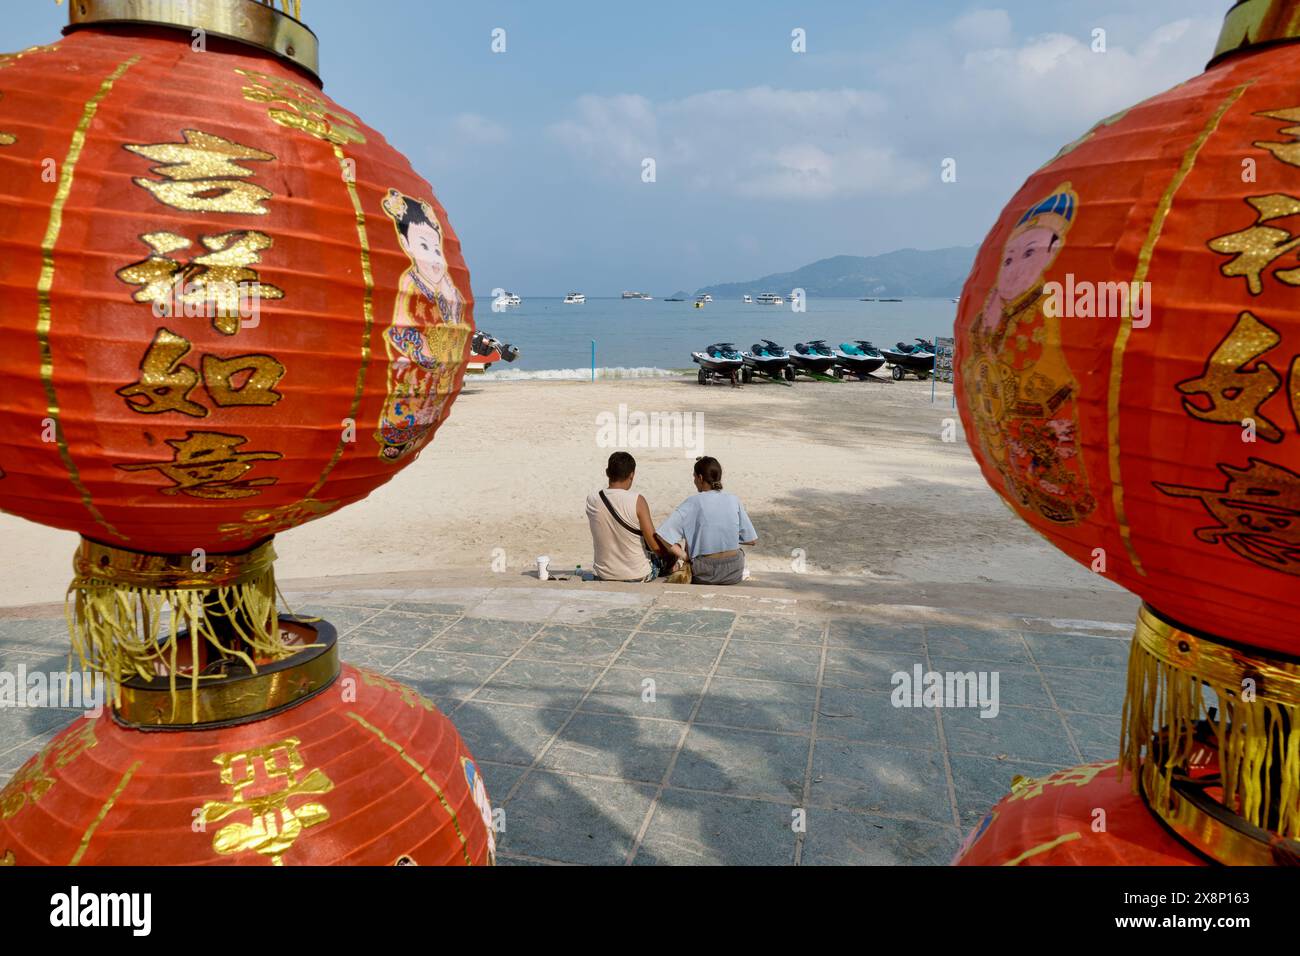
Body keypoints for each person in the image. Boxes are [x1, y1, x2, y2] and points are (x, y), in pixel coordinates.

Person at [375, 187, 469, 463]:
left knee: (429, 403)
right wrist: (421, 348)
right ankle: (398, 438)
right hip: (418, 361)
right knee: (409, 401)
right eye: (424, 247)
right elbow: (401, 325)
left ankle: (417, 435)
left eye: (436, 247)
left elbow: (456, 315)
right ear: (407, 247)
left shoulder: (446, 284)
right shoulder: (410, 281)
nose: (434, 256)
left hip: (439, 362)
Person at [656, 456, 757, 585]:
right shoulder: (734, 500)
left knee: (690, 540)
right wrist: (723, 534)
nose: (694, 481)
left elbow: (662, 536)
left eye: (694, 477)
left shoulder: (692, 502)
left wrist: (686, 557)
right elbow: (751, 540)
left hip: (705, 573)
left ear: (700, 478)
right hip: (734, 571)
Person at [585, 452, 677, 582]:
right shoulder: (637, 501)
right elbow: (655, 546)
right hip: (637, 575)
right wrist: (671, 557)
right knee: (671, 553)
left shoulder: (592, 499)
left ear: (607, 472)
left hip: (603, 574)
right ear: (632, 475)